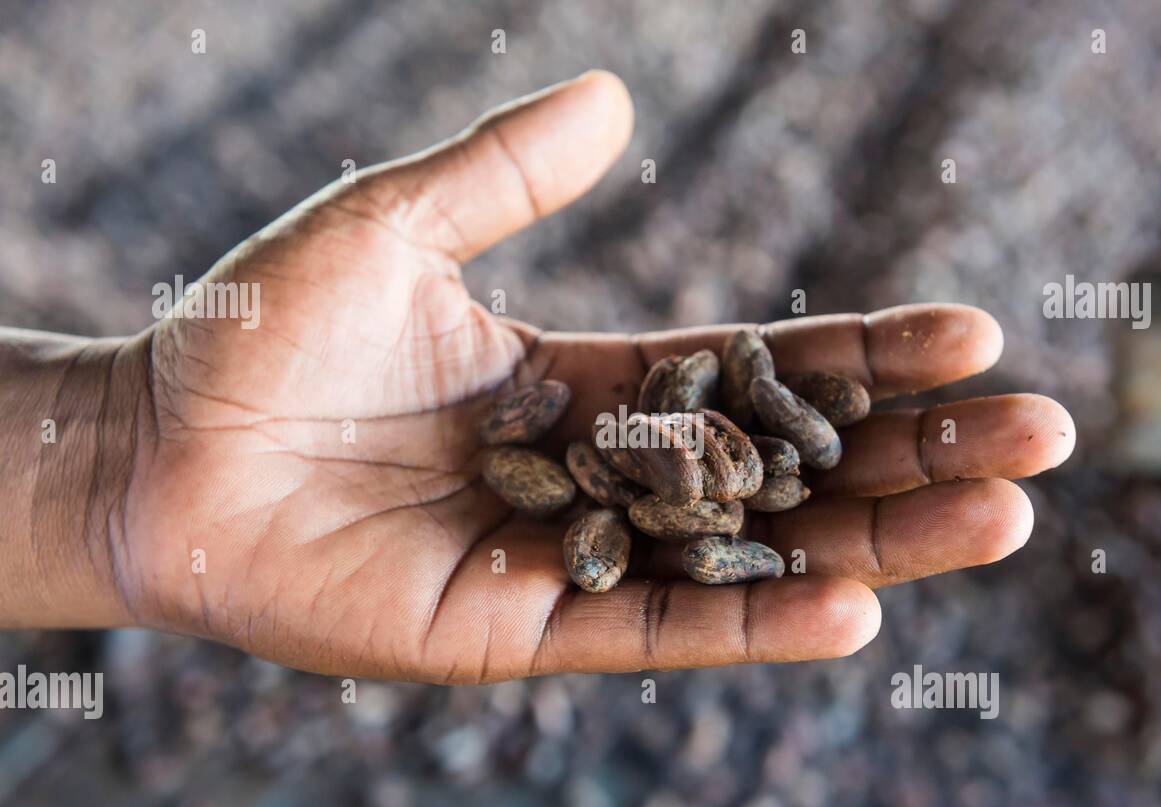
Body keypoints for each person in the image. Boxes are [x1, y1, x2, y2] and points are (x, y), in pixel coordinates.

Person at [0, 71, 1073, 683]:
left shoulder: (698, 469)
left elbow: (744, 475)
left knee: (810, 471)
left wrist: (120, 448)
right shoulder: (630, 465)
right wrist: (126, 448)